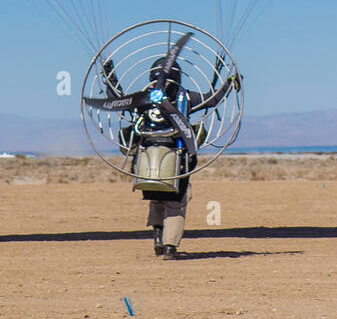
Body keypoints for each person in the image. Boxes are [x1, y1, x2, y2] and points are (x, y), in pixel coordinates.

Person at [88, 39, 240, 259]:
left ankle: (158, 239)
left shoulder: (142, 99)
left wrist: (108, 74)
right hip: (177, 159)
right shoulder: (185, 98)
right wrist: (230, 84)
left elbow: (116, 100)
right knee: (175, 203)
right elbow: (212, 100)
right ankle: (169, 246)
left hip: (146, 159)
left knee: (155, 197)